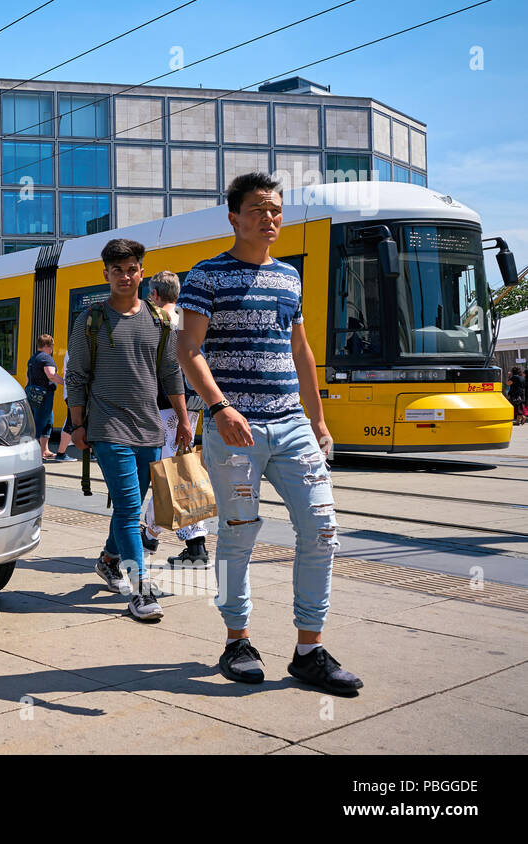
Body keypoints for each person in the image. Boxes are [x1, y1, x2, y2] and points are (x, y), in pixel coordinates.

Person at [178, 171, 363, 695]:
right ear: (234, 217)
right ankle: (238, 640)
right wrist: (219, 409)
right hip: (234, 428)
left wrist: (319, 419)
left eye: (276, 209)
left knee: (322, 528)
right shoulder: (206, 276)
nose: (269, 218)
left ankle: (309, 650)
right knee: (240, 533)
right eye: (258, 209)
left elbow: (301, 352)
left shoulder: (289, 278)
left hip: (291, 425)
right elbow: (188, 349)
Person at [67, 239, 192, 622]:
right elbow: (76, 375)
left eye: (131, 269)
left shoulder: (158, 319)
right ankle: (140, 588)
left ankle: (108, 559)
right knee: (126, 508)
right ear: (105, 274)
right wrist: (76, 424)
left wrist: (184, 419)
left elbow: (170, 372)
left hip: (150, 428)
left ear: (142, 273)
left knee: (131, 504)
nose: (125, 275)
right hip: (109, 427)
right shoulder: (91, 319)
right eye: (117, 270)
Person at [140, 270, 214, 567]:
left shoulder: (153, 320)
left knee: (173, 471)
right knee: (174, 467)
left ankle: (195, 545)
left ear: (155, 294)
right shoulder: (186, 318)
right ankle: (151, 533)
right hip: (191, 404)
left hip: (164, 404)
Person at [25, 335, 60, 460]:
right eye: (51, 346)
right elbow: (51, 375)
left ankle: (44, 450)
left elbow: (27, 378)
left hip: (32, 393)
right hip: (44, 395)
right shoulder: (46, 358)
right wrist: (65, 382)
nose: (51, 349)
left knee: (48, 421)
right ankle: (32, 454)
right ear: (46, 346)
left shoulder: (32, 358)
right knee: (40, 423)